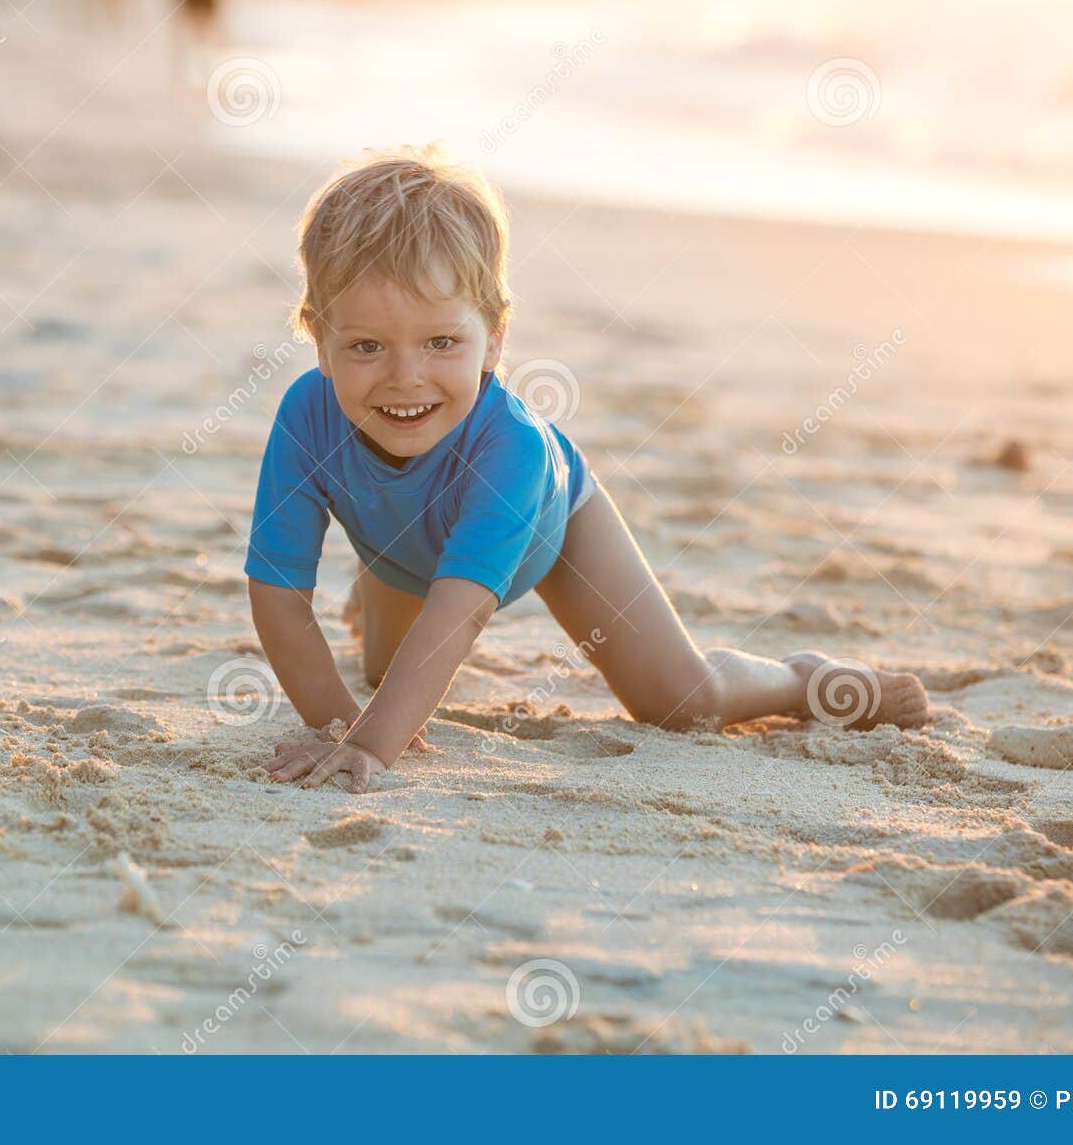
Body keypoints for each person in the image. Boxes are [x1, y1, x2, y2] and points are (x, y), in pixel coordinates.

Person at [245, 148, 930, 793]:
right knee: (378, 677)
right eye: (366, 346)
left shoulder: (512, 452)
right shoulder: (307, 415)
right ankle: (381, 577)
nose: (405, 377)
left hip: (552, 522)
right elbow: (277, 594)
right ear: (319, 342)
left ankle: (800, 676)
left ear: (496, 339)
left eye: (442, 342)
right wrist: (339, 726)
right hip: (404, 546)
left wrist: (366, 748)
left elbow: (457, 617)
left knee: (681, 701)